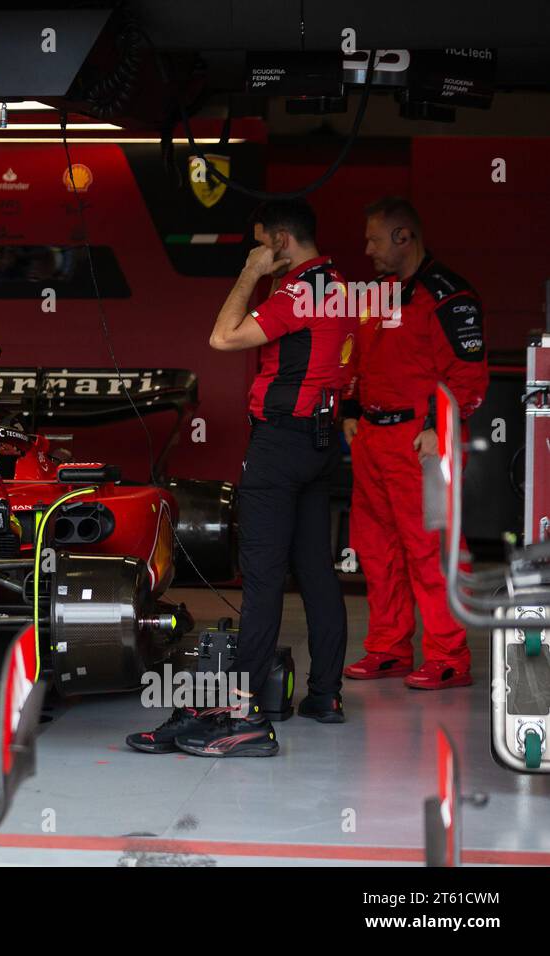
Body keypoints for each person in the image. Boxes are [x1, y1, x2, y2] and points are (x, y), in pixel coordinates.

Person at [129, 199, 355, 757]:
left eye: (260, 242)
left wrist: (251, 273)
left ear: (279, 240)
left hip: (280, 446)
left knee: (260, 578)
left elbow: (223, 337)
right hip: (320, 443)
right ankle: (326, 695)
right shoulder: (342, 285)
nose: (258, 253)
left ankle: (242, 712)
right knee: (315, 572)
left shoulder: (298, 290)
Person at [341, 197, 488, 689]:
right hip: (372, 441)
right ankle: (388, 648)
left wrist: (437, 429)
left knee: (432, 549)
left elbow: (467, 378)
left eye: (374, 240)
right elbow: (358, 360)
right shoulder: (376, 295)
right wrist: (350, 410)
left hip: (422, 442)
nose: (367, 250)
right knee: (376, 550)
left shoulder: (449, 295)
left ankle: (449, 656)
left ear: (404, 238)